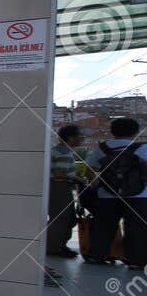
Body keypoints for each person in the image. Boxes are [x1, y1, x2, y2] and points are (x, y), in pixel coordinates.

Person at [84, 116, 147, 270]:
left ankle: (97, 255)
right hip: (138, 195)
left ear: (112, 131)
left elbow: (89, 170)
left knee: (104, 226)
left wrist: (95, 184)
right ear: (135, 132)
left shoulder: (103, 148)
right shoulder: (143, 148)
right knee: (136, 228)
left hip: (107, 194)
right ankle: (136, 260)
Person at [47, 123, 88, 258]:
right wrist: (79, 179)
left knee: (68, 218)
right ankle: (54, 247)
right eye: (80, 136)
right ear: (70, 138)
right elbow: (59, 173)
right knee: (61, 218)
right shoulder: (63, 152)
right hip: (59, 187)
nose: (82, 139)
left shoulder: (60, 150)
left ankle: (59, 245)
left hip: (60, 187)